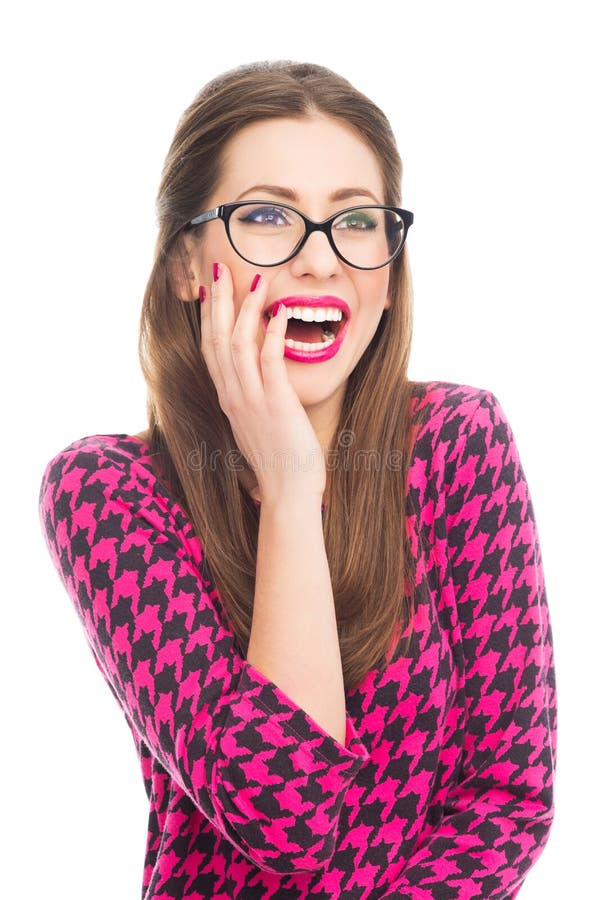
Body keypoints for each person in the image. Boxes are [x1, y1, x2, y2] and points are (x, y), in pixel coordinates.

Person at [38, 60, 557, 899]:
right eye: (269, 217)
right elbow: (292, 818)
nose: (320, 262)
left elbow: (509, 800)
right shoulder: (107, 495)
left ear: (387, 275)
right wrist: (287, 487)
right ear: (183, 266)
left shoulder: (460, 442)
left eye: (355, 221)